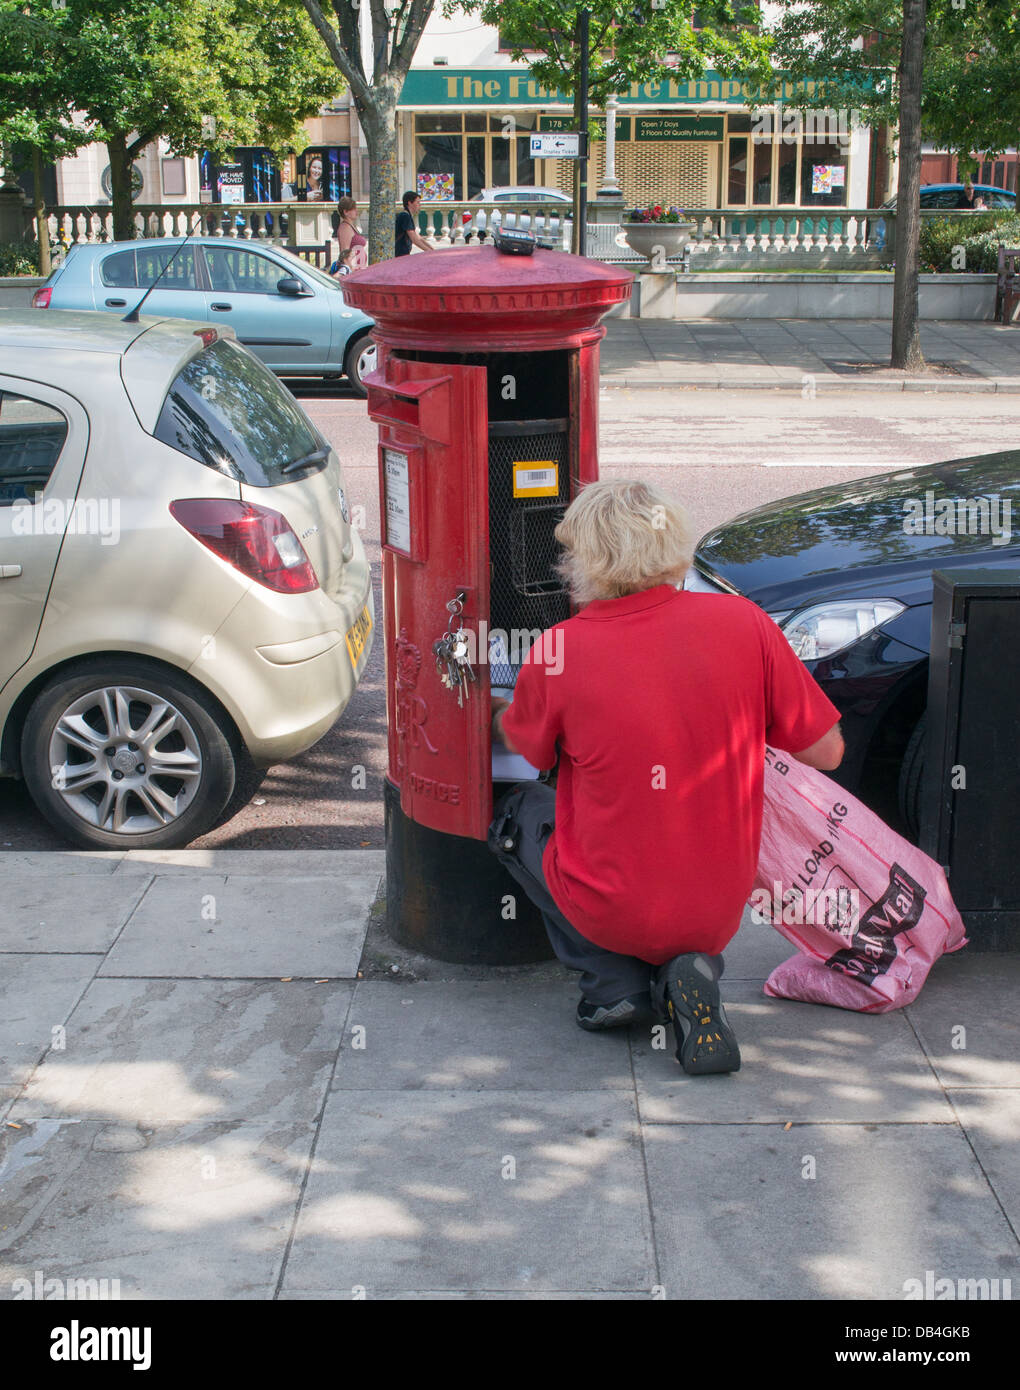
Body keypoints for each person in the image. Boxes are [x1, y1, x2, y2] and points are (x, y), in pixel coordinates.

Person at [488, 480, 844, 1076]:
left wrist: (492, 710)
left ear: (587, 560)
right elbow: (826, 752)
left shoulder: (560, 649)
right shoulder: (745, 623)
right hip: (718, 909)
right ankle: (689, 969)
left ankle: (613, 986)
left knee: (515, 809)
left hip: (612, 903)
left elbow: (526, 748)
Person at [395, 191, 435, 256]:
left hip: (403, 254)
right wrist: (429, 251)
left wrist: (432, 250)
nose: (419, 205)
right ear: (410, 203)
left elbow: (418, 237)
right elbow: (414, 239)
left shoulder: (407, 216)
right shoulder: (405, 216)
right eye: (417, 202)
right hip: (400, 254)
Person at [335, 196, 368, 270]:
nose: (356, 211)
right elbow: (344, 253)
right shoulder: (345, 228)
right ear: (345, 212)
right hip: (352, 271)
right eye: (353, 209)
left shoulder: (351, 226)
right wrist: (351, 269)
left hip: (359, 270)